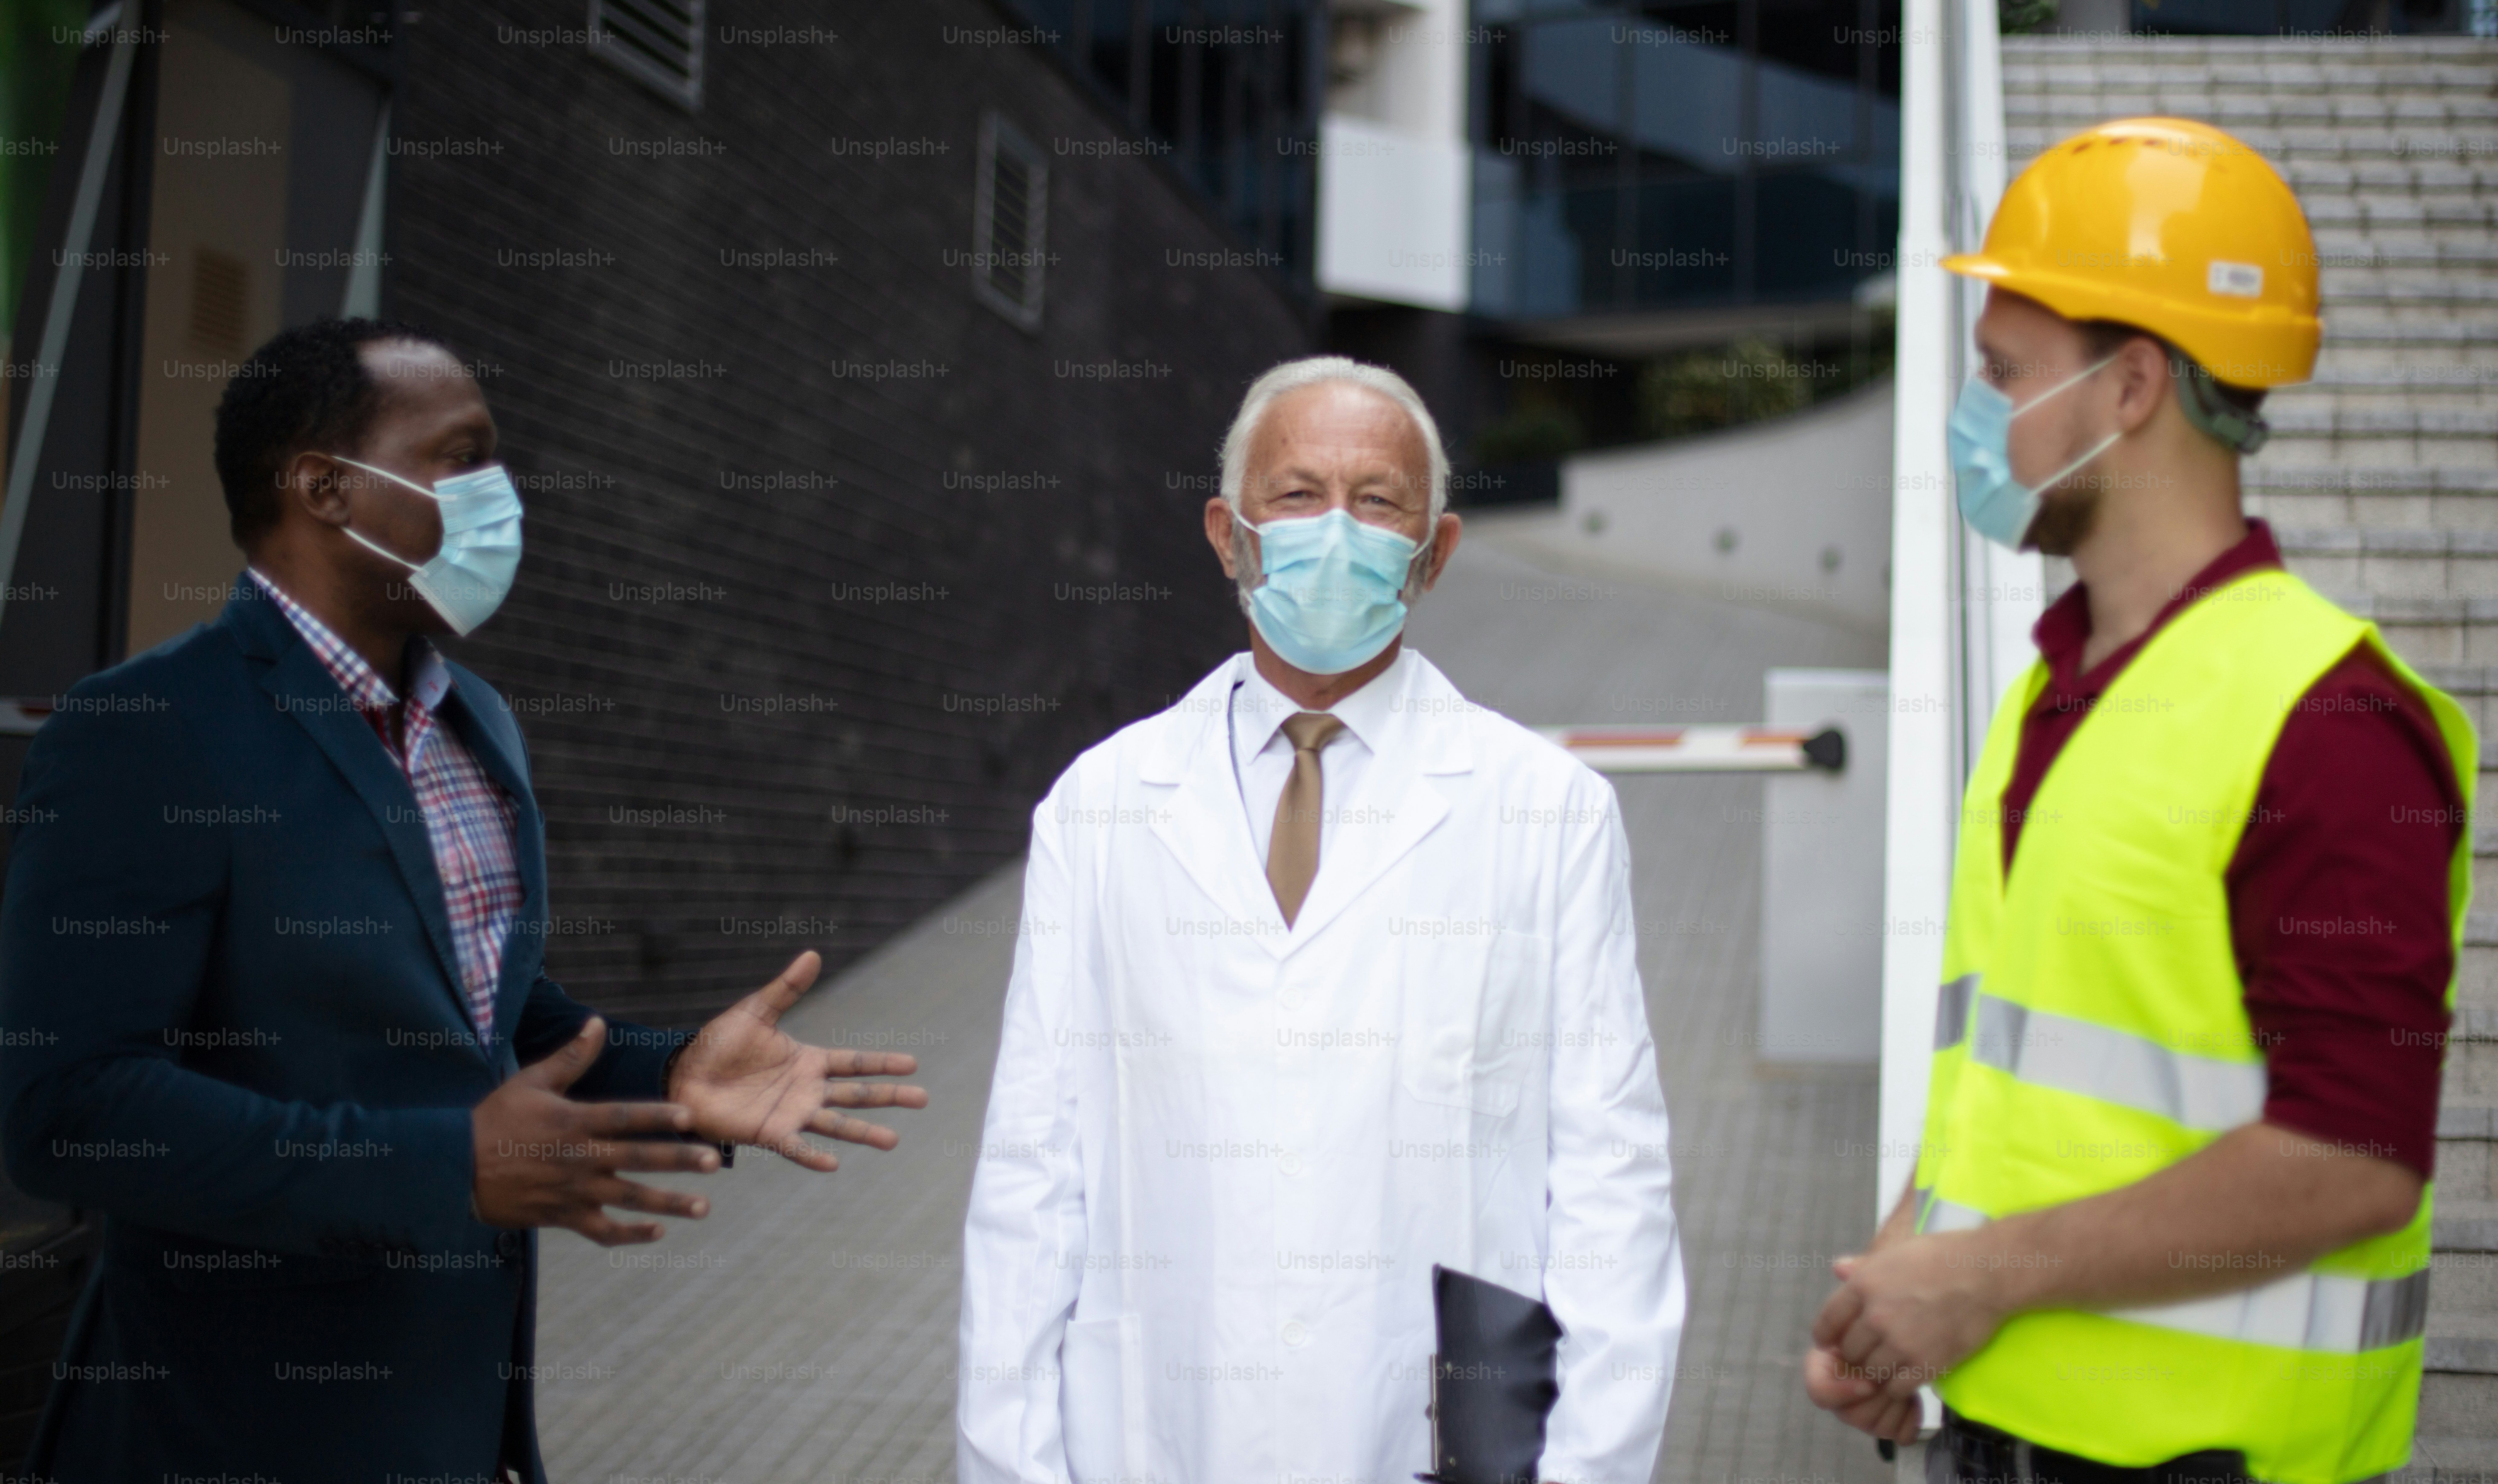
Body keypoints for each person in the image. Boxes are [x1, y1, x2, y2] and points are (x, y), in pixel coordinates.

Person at [0, 317, 928, 1484]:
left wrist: (674, 1076)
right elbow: (72, 1107)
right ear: (327, 487)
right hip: (229, 1429)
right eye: (461, 453)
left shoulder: (476, 719)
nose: (501, 496)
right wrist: (446, 1167)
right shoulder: (147, 733)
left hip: (453, 1421)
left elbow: (486, 1014)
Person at [1802, 118, 2473, 1484]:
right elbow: (2012, 1075)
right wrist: (1898, 1285)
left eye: (2003, 373)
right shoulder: (2051, 688)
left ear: (2131, 388)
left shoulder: (2330, 718)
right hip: (2001, 1434)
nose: (1973, 413)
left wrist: (1978, 1279)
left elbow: (2354, 1157)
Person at [956, 356, 1685, 1484]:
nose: (1334, 532)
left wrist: (1590, 1468)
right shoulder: (1100, 809)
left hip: (1435, 1435)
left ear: (1434, 553)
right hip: (1156, 1431)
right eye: (1296, 495)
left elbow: (1609, 1182)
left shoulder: (1548, 812)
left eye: (1378, 500)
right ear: (1227, 533)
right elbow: (1031, 1178)